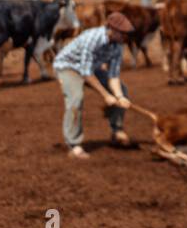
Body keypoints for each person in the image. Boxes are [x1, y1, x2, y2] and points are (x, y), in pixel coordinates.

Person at [53, 11, 135, 159]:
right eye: (123, 34)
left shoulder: (118, 44)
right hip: (69, 66)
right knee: (76, 98)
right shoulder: (93, 38)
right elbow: (86, 73)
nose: (125, 37)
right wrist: (106, 96)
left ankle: (117, 131)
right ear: (112, 30)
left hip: (91, 68)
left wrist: (119, 96)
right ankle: (74, 144)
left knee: (122, 89)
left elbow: (113, 75)